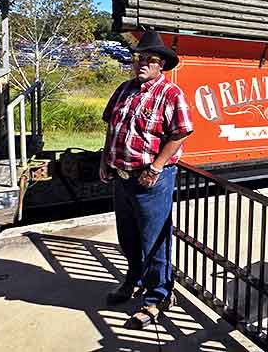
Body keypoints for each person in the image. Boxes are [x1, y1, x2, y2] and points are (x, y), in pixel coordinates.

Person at [100, 30, 193, 329]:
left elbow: (180, 132)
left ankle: (158, 298)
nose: (141, 63)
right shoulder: (124, 89)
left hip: (151, 179)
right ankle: (133, 281)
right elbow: (111, 128)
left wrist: (155, 168)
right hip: (121, 176)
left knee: (155, 241)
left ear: (161, 65)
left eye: (149, 59)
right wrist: (105, 161)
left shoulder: (171, 94)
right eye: (138, 58)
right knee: (128, 236)